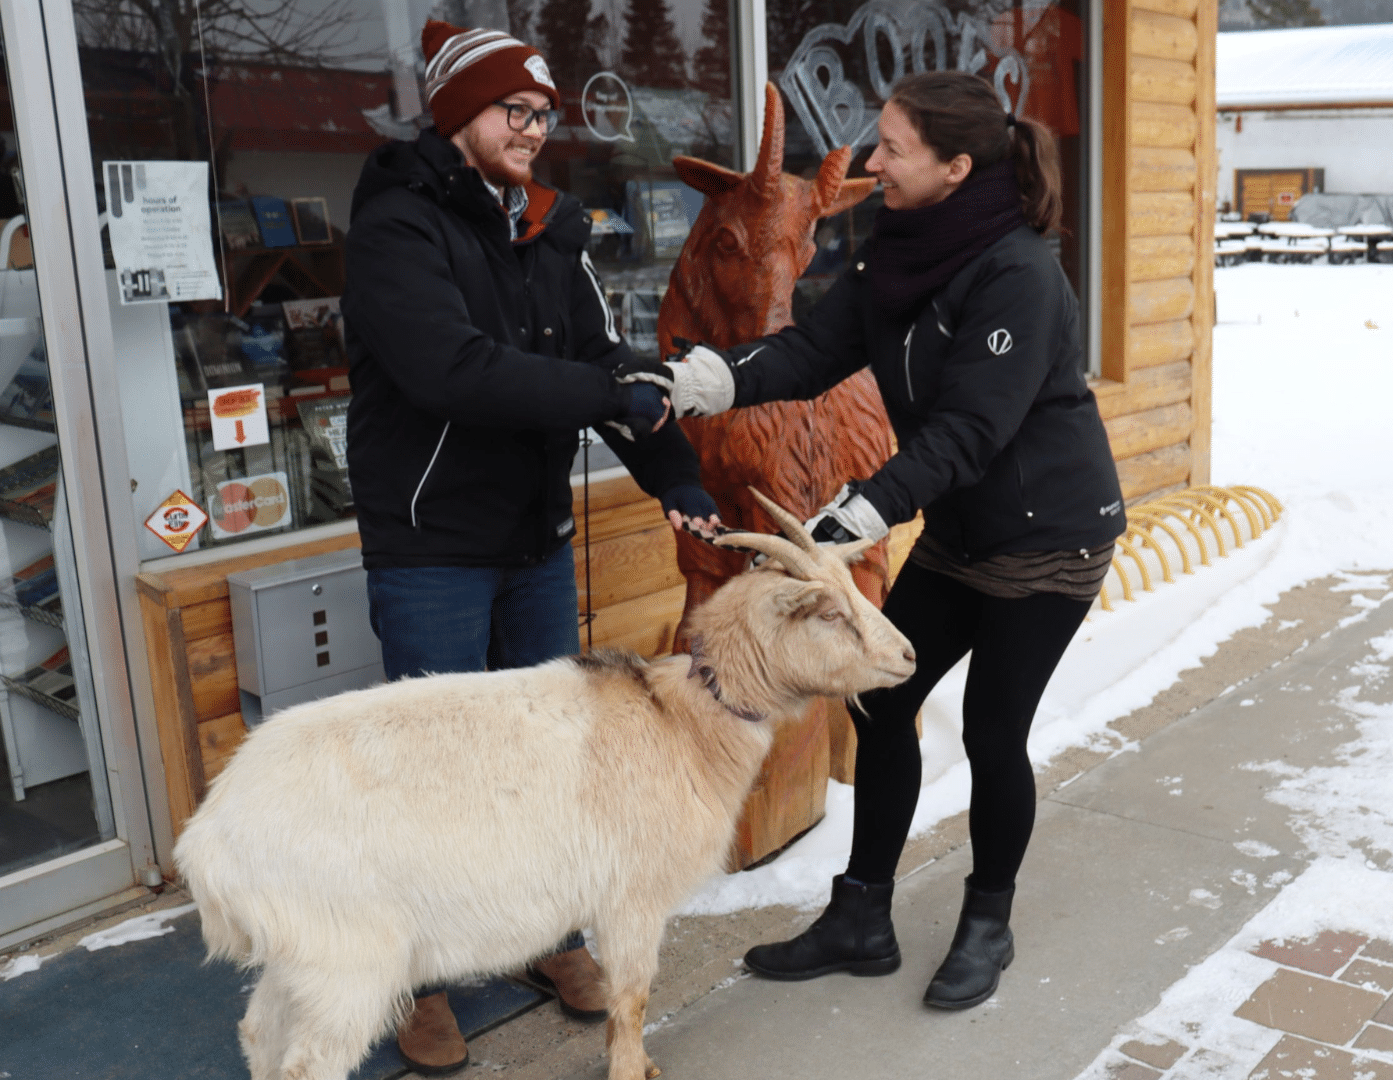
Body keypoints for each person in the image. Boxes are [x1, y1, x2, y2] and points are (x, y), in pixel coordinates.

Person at [655, 71, 1125, 1010]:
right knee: (880, 701)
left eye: (892, 148)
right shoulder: (900, 253)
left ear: (955, 167)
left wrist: (867, 508)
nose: (873, 162)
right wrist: (717, 377)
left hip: (1049, 544)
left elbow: (970, 431)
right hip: (962, 529)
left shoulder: (1019, 274)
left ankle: (988, 922)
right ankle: (862, 915)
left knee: (994, 732)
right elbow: (813, 350)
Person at [341, 20, 719, 1075]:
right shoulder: (397, 228)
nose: (536, 128)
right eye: (518, 109)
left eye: (545, 114)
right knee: (435, 773)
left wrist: (675, 475)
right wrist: (611, 390)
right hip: (433, 548)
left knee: (549, 762)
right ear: (460, 113)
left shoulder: (552, 233)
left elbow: (606, 365)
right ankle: (415, 976)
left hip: (535, 543)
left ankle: (544, 936)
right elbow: (455, 370)